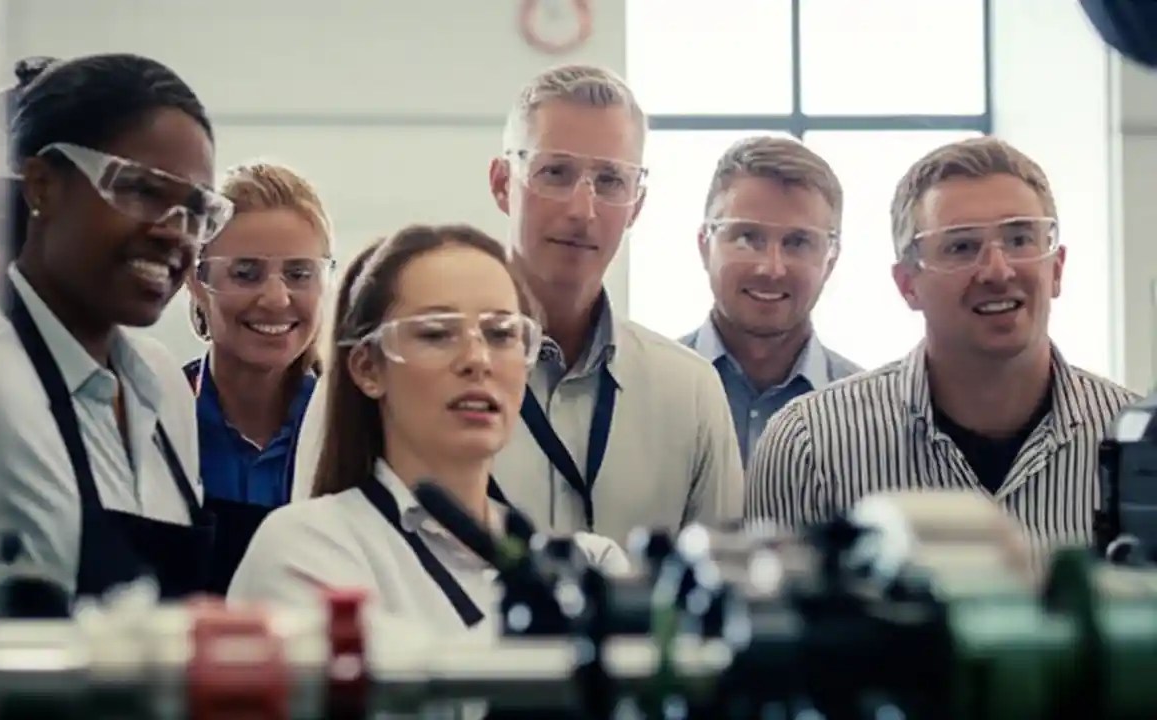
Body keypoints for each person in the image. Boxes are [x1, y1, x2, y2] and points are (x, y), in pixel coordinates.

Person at [290, 65, 743, 545]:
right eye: (555, 173)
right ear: (503, 182)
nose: (581, 210)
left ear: (637, 204)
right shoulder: (395, 365)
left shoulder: (689, 393)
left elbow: (726, 591)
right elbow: (317, 549)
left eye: (610, 180)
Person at [746, 137, 1140, 553]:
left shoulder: (1138, 445)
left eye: (1020, 240)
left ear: (1056, 268)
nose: (997, 270)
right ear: (907, 285)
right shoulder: (810, 447)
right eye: (961, 246)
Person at [229, 225, 629, 634]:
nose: (477, 359)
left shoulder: (585, 566)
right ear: (368, 368)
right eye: (436, 334)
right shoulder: (305, 548)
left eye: (502, 334)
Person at [0, 54, 233, 612]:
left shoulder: (159, 379)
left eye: (195, 210)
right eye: (139, 189)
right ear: (41, 185)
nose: (174, 233)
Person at [182, 162, 335, 594]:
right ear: (196, 281)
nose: (275, 297)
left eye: (299, 274)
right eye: (245, 273)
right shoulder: (151, 419)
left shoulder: (357, 430)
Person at [680, 136, 861, 467]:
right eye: (748, 238)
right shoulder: (639, 394)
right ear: (705, 246)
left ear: (831, 260)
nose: (771, 268)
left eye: (798, 242)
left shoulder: (871, 417)